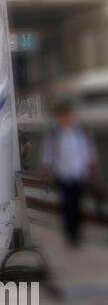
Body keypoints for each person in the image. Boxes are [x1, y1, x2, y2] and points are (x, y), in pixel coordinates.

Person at [42, 101, 99, 246]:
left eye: (68, 115)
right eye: (64, 115)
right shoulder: (54, 134)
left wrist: (93, 171)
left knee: (77, 204)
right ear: (60, 117)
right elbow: (48, 155)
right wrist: (47, 173)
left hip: (79, 174)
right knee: (67, 204)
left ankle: (76, 232)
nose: (67, 118)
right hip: (63, 175)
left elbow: (89, 152)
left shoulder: (81, 132)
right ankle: (70, 233)